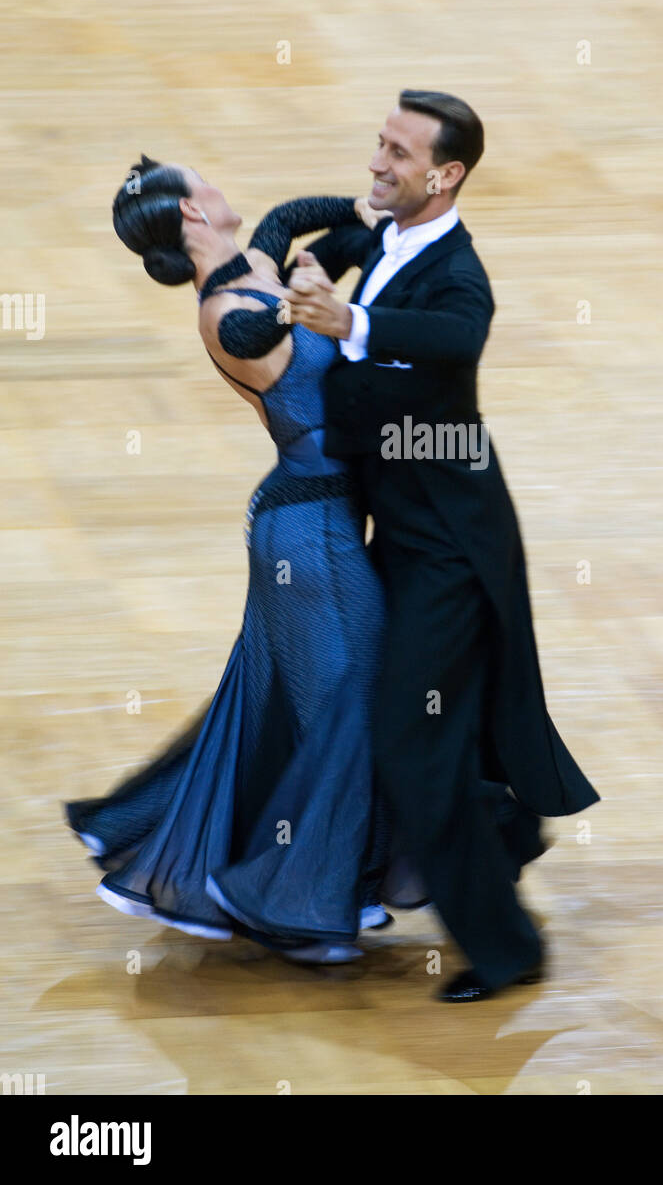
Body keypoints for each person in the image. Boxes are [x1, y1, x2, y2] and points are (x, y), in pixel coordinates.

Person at [276, 89, 601, 1001]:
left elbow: (456, 338)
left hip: (451, 548)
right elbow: (300, 227)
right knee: (401, 718)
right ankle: (499, 836)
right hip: (406, 532)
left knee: (411, 739)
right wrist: (267, 258)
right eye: (379, 143)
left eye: (399, 153)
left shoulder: (458, 275)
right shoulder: (381, 235)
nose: (379, 163)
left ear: (446, 176)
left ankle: (505, 949)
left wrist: (349, 324)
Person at [65, 158, 397, 963]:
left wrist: (376, 211)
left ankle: (308, 880)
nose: (220, 187)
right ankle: (292, 903)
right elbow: (267, 327)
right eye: (204, 184)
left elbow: (297, 217)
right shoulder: (224, 312)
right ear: (189, 215)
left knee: (300, 709)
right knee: (347, 707)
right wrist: (307, 294)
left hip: (318, 519)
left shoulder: (251, 265)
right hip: (308, 533)